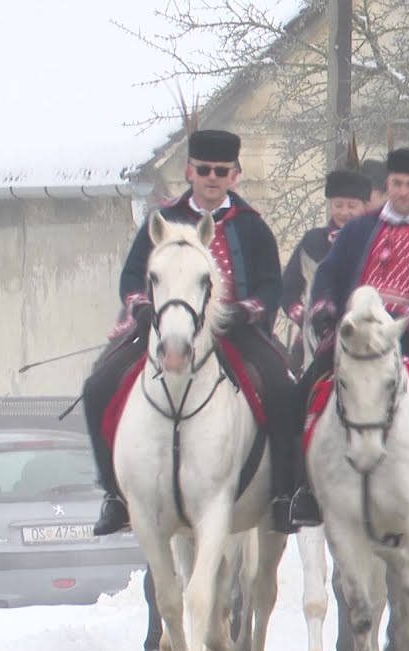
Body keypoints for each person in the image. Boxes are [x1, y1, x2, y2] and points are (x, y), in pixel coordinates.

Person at [80, 129, 295, 535]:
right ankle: (113, 493)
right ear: (189, 171)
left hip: (235, 330)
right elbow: (130, 277)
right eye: (204, 170)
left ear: (234, 175)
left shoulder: (252, 227)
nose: (212, 177)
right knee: (98, 386)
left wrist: (246, 312)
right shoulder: (161, 221)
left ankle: (284, 492)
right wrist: (143, 309)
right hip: (167, 330)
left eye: (221, 171)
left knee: (285, 391)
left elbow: (271, 286)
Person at [283, 147, 409, 528]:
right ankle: (302, 488)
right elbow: (329, 271)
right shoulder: (360, 228)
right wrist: (326, 306)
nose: (402, 191)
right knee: (304, 391)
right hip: (359, 333)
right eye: (396, 183)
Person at [279, 161, 372, 367]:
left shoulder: (376, 243)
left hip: (367, 337)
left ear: (365, 207)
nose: (344, 212)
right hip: (315, 338)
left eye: (351, 206)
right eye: (338, 205)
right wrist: (307, 318)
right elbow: (288, 290)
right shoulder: (312, 242)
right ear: (330, 206)